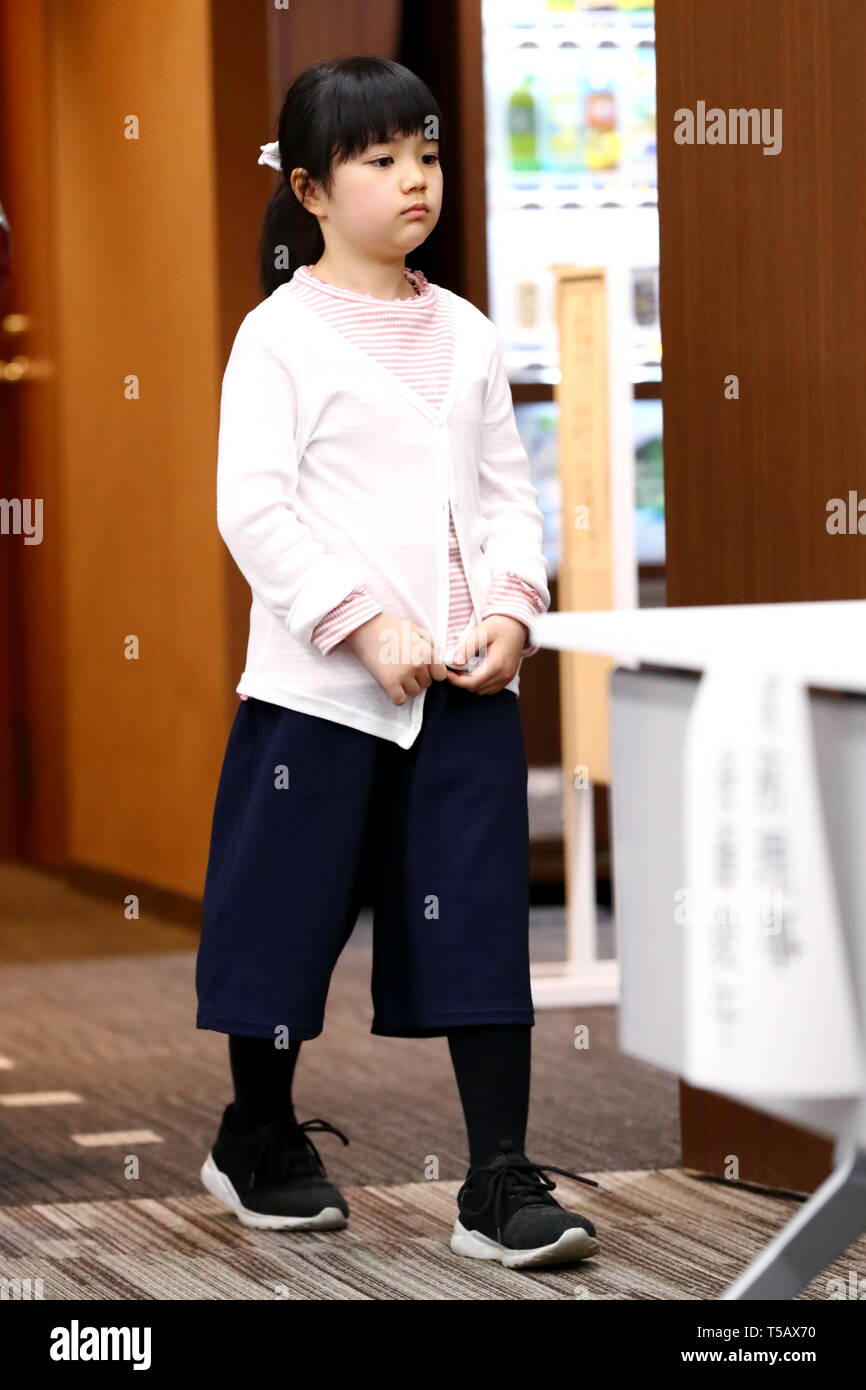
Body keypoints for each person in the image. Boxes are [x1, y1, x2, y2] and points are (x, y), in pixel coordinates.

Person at [195, 55, 601, 1271]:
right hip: (320, 692)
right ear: (312, 191)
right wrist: (362, 624)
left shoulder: (467, 332)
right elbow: (252, 513)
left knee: (478, 920)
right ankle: (257, 1135)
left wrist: (515, 616)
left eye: (423, 153)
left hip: (465, 688)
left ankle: (494, 1175)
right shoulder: (276, 339)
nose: (412, 177)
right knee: (283, 920)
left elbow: (506, 499)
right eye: (379, 160)